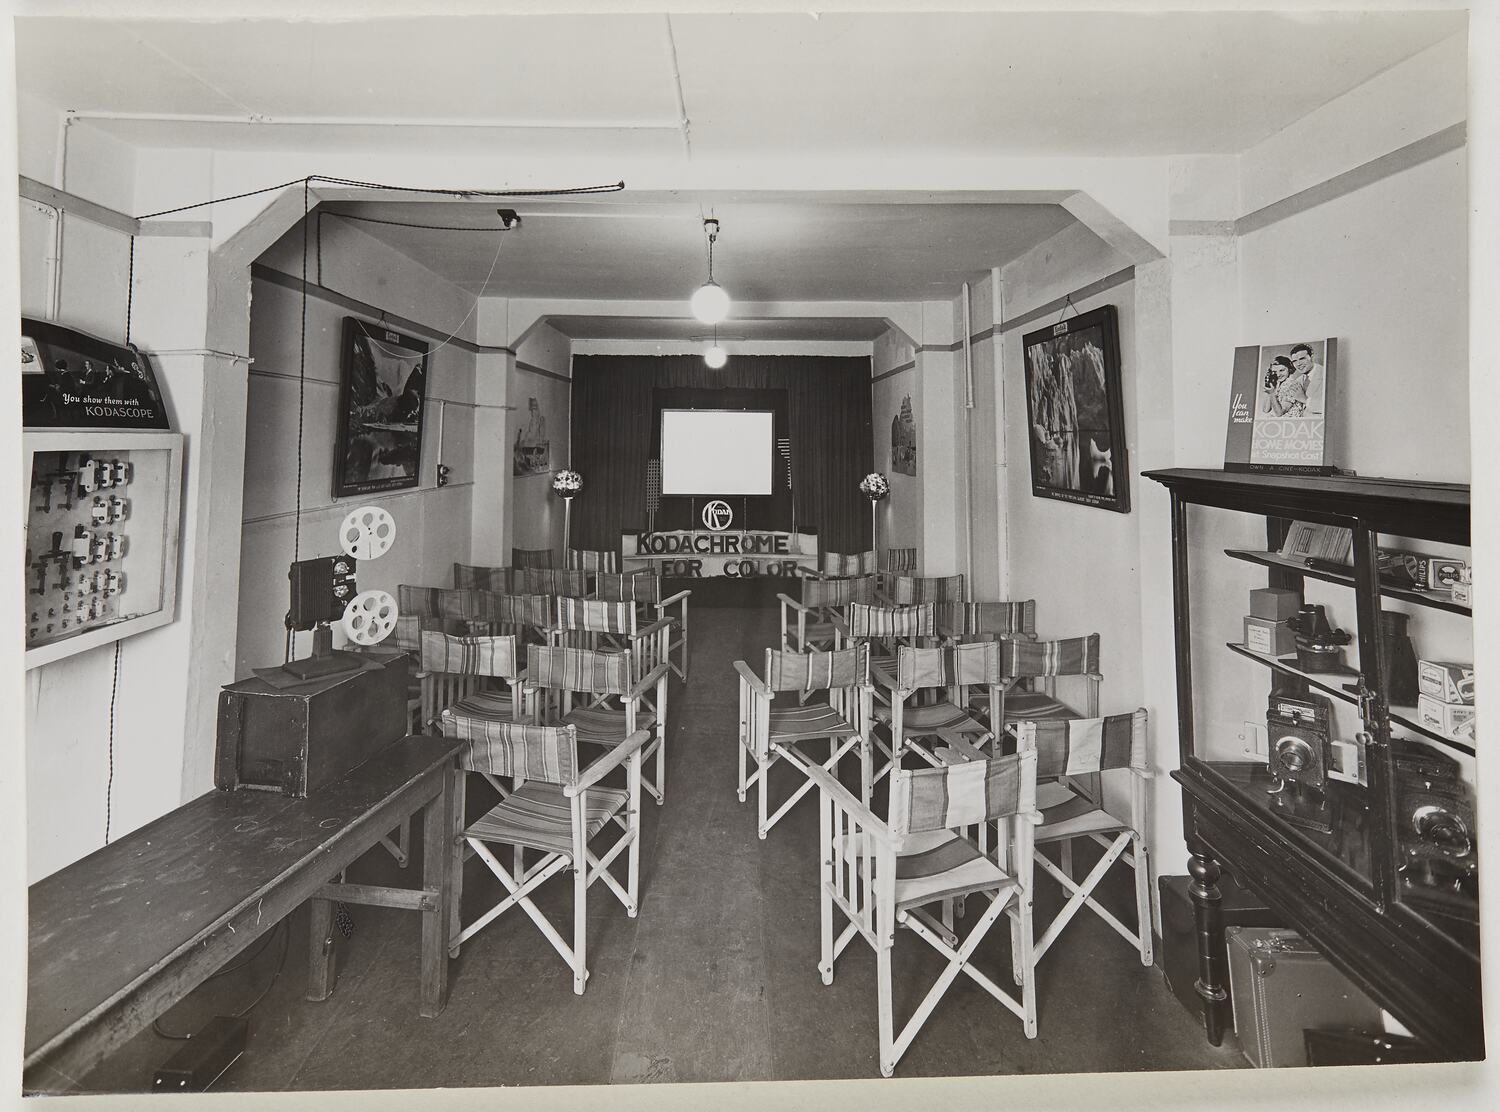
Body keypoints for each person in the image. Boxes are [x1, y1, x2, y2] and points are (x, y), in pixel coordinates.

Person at [1289, 343, 1326, 415]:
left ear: (1311, 357)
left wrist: (1305, 400)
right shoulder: (1297, 381)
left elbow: (1331, 406)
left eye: (1302, 359)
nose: (1298, 364)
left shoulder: (1326, 374)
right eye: (1294, 361)